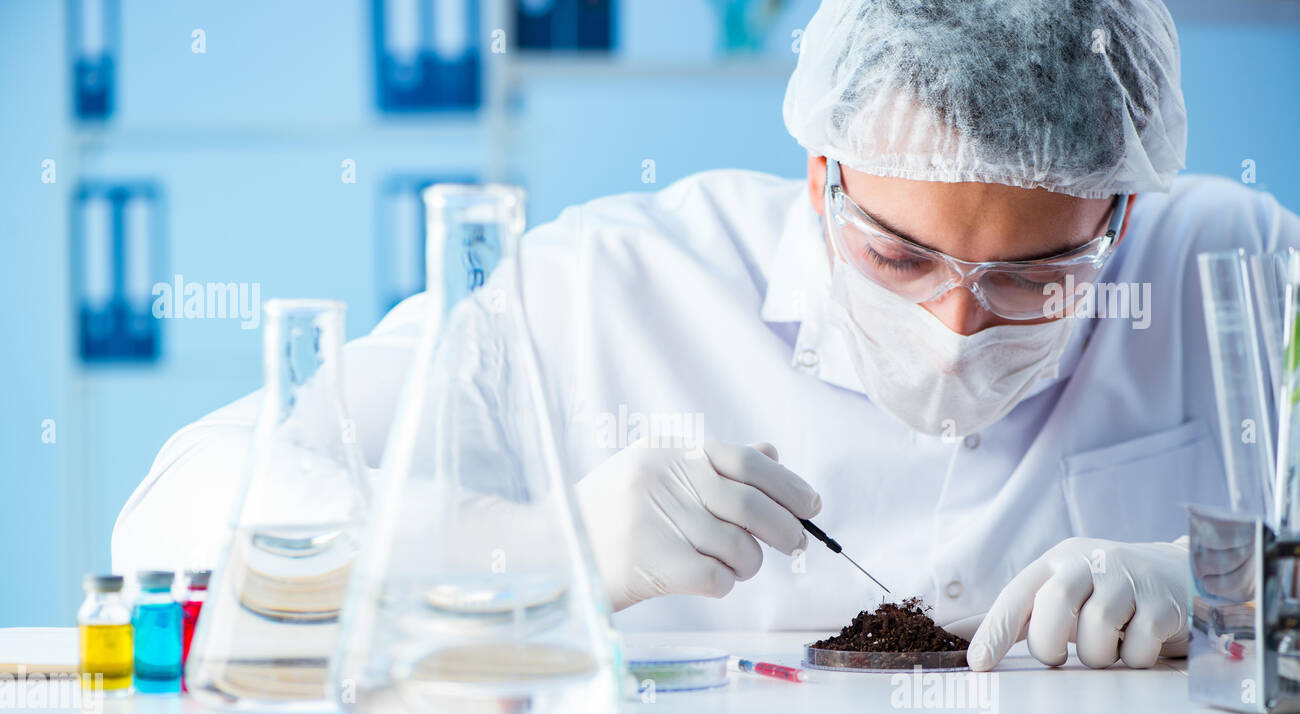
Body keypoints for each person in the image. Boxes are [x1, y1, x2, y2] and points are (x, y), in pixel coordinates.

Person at [114, 0, 1300, 672]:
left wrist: (1227, 586)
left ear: (1123, 211)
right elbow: (177, 510)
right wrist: (544, 545)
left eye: (1035, 279)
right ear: (820, 175)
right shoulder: (608, 287)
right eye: (895, 254)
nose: (953, 328)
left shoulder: (1235, 266)